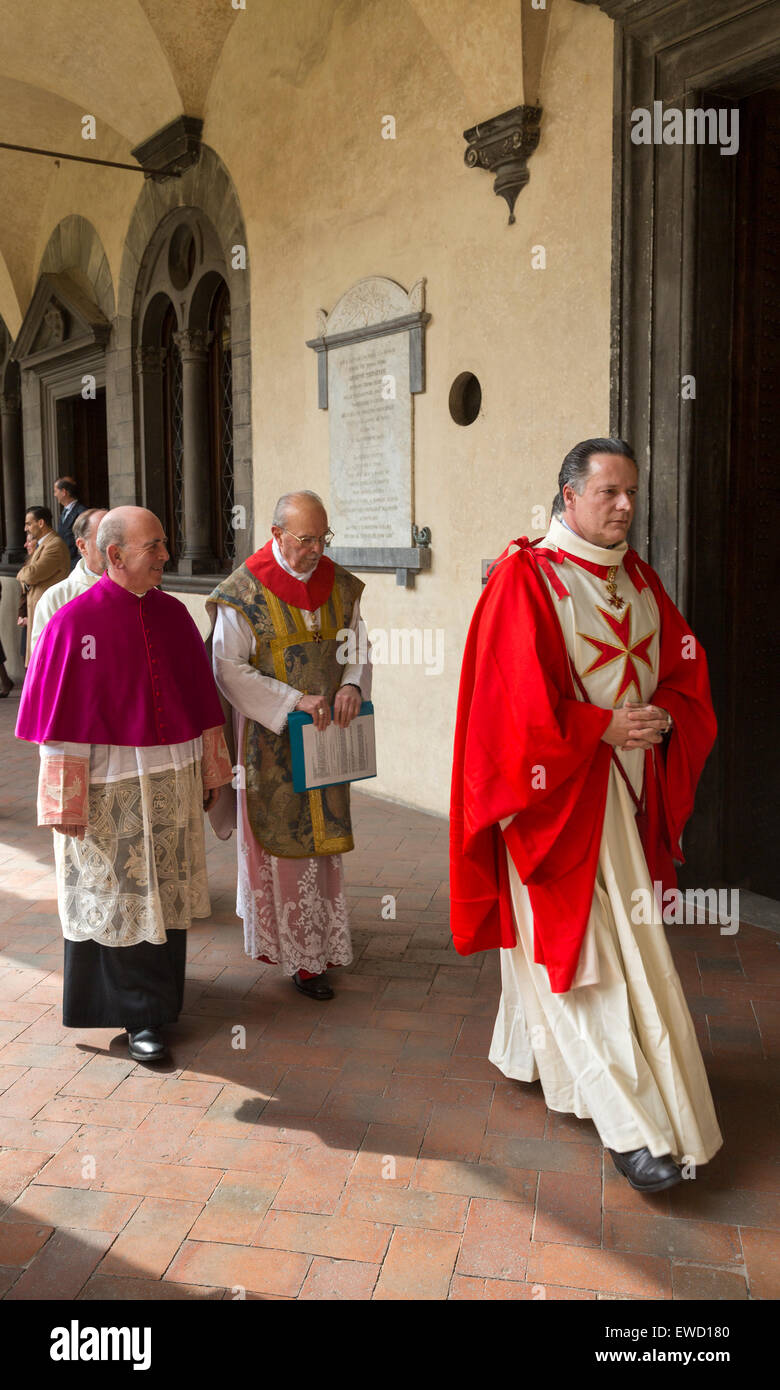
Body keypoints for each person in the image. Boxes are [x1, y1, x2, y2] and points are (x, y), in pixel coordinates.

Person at [450, 438, 722, 1193]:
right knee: (582, 961)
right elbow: (508, 710)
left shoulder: (638, 578)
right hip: (549, 802)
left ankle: (528, 1054)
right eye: (609, 493)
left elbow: (683, 668)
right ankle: (633, 1130)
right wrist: (598, 727)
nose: (626, 507)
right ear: (567, 496)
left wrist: (663, 715)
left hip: (625, 801)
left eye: (631, 492)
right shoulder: (525, 579)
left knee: (607, 948)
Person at [15, 506, 232, 1063]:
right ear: (114, 556)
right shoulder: (72, 622)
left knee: (161, 894)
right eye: (154, 547)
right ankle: (138, 1018)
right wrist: (63, 799)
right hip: (110, 787)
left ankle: (160, 1001)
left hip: (171, 782)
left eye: (163, 545)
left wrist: (213, 773)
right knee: (120, 894)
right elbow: (59, 726)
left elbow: (203, 704)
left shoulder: (175, 615)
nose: (165, 556)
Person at [207, 490, 371, 1001]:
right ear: (277, 535)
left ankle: (320, 940)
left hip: (326, 740)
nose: (317, 549)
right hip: (270, 739)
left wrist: (352, 685)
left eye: (324, 538)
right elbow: (226, 667)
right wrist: (292, 700)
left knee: (322, 847)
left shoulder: (340, 586)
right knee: (282, 843)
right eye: (305, 540)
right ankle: (299, 956)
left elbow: (357, 644)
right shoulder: (244, 592)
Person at [30, 508, 107, 651]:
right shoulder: (57, 597)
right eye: (105, 538)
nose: (114, 545)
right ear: (83, 546)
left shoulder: (143, 589)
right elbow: (44, 659)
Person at [16, 507, 70, 665]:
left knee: (46, 659)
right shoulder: (44, 544)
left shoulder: (55, 545)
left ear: (41, 523)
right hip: (38, 609)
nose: (26, 528)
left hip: (49, 611)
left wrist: (22, 575)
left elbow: (32, 574)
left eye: (28, 524)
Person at [54, 477, 87, 569]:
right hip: (64, 563)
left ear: (64, 492)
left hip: (74, 564)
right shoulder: (64, 512)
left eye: (56, 491)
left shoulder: (82, 512)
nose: (55, 494)